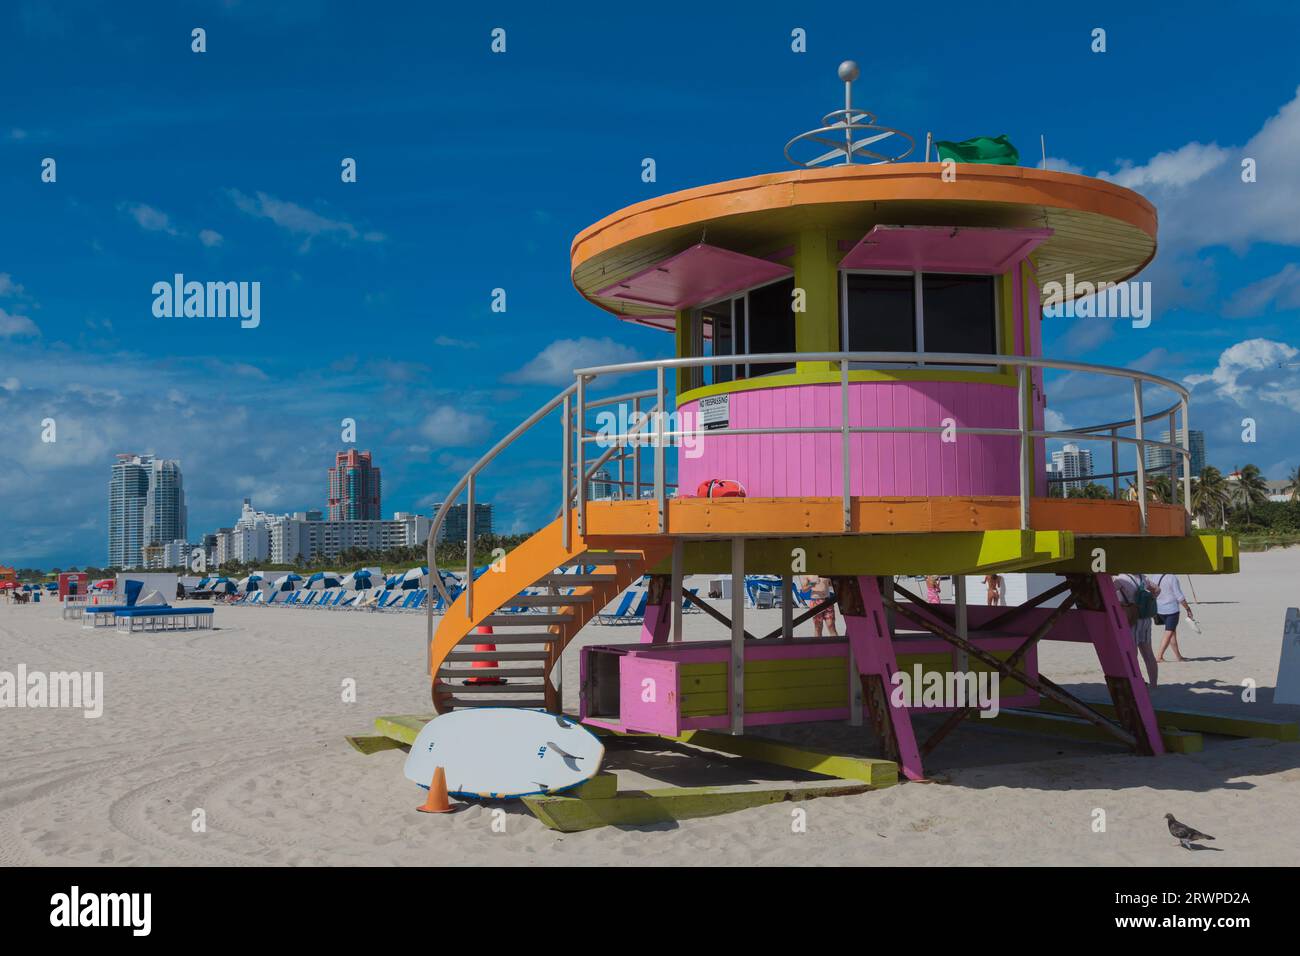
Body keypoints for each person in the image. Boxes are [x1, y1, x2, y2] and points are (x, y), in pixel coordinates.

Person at [1114, 572, 1159, 689]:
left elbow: (1107, 595)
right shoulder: (1143, 577)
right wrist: (1151, 597)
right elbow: (1158, 589)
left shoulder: (1120, 579)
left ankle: (1137, 682)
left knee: (1133, 654)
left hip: (1132, 619)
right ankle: (1153, 683)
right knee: (1148, 653)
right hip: (1146, 618)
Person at [1152, 572, 1195, 663]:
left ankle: (1178, 656)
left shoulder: (1155, 576)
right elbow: (1179, 596)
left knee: (1172, 633)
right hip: (1171, 610)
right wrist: (1188, 608)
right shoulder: (1172, 577)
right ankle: (1159, 656)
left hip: (1159, 609)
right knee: (1169, 633)